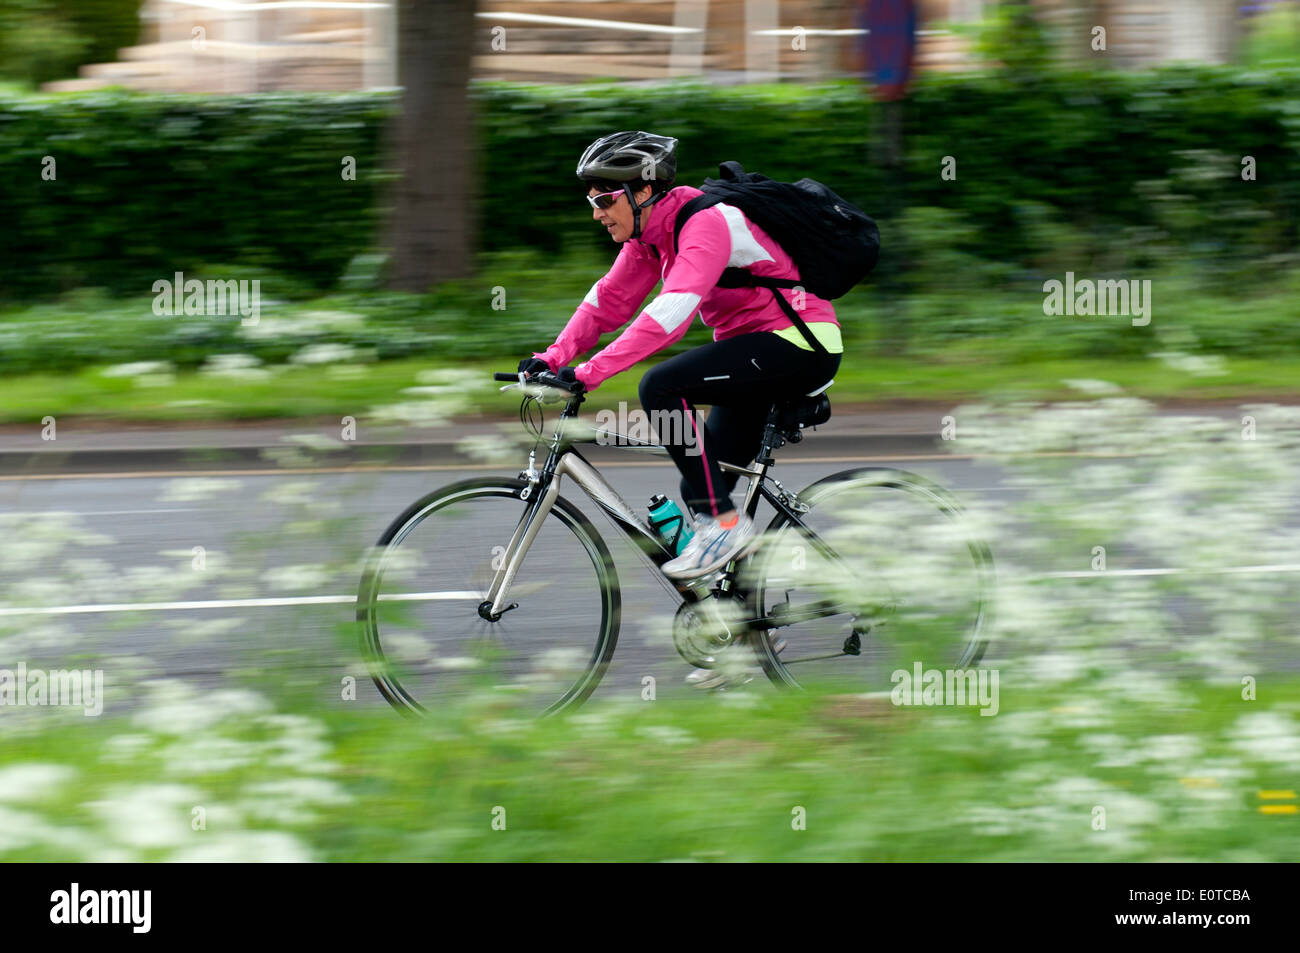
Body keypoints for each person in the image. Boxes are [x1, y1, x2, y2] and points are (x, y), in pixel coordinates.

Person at [519, 130, 842, 581]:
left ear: (643, 191)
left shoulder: (706, 223)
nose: (597, 213)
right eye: (591, 202)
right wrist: (553, 358)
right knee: (701, 484)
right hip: (751, 351)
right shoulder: (651, 238)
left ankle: (725, 528)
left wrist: (589, 374)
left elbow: (670, 316)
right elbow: (607, 301)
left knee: (660, 386)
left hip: (801, 343)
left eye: (606, 200)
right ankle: (743, 623)